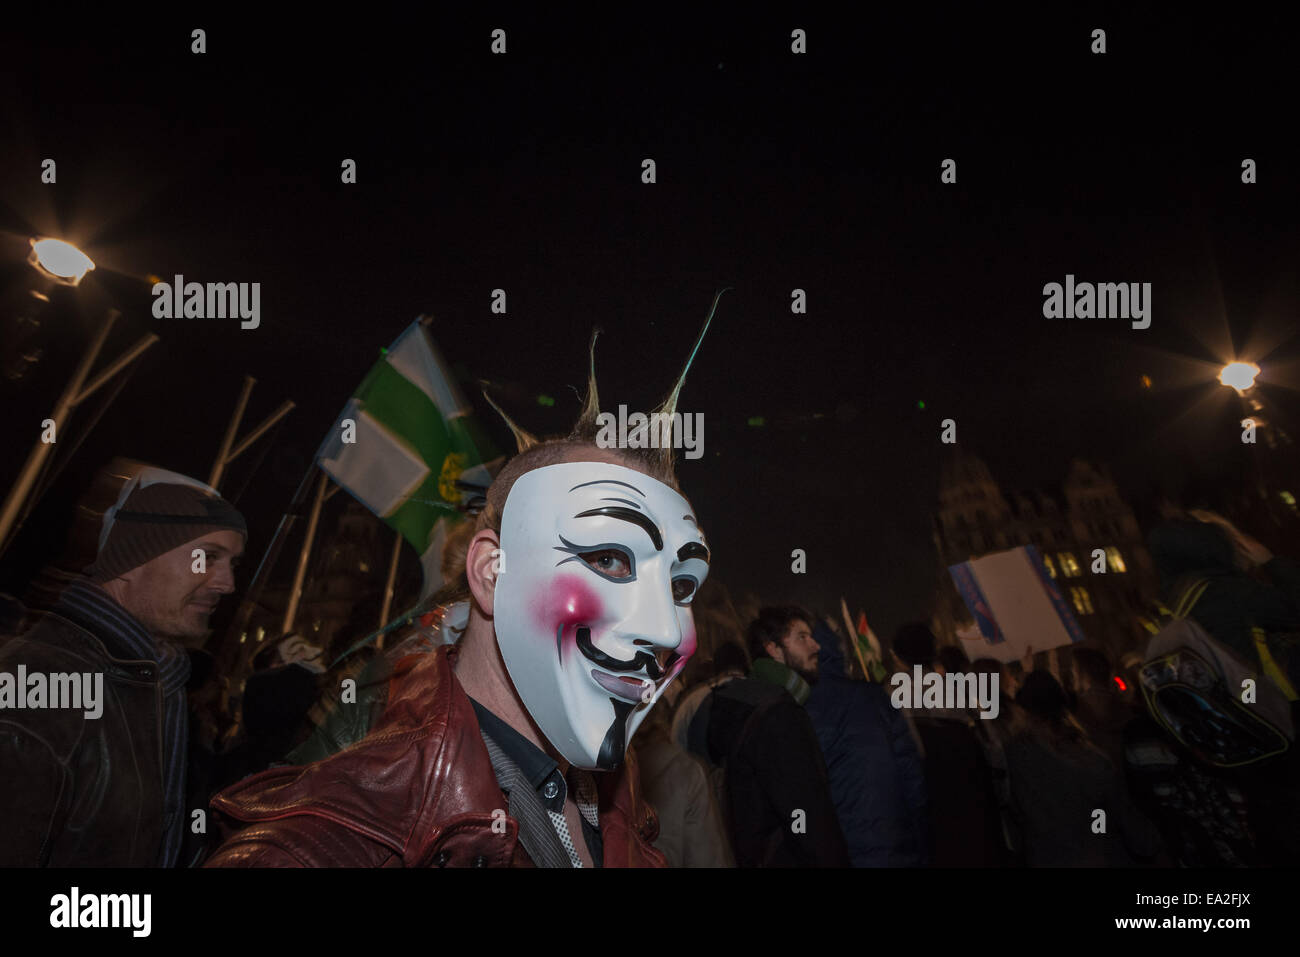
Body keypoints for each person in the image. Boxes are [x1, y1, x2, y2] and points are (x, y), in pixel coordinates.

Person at [207, 324, 716, 867]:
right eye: (609, 559)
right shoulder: (336, 841)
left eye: (681, 585)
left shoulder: (622, 802)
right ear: (491, 573)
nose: (665, 629)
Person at [0, 467, 247, 866]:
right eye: (207, 557)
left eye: (232, 563)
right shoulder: (39, 689)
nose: (226, 583)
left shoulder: (156, 681)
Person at [688, 606, 850, 867]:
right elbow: (810, 821)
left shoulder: (748, 703)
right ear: (773, 649)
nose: (816, 646)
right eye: (802, 637)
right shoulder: (779, 713)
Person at [804, 618, 928, 866]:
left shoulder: (800, 711)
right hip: (897, 846)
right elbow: (913, 778)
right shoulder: (874, 697)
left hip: (845, 852)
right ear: (839, 650)